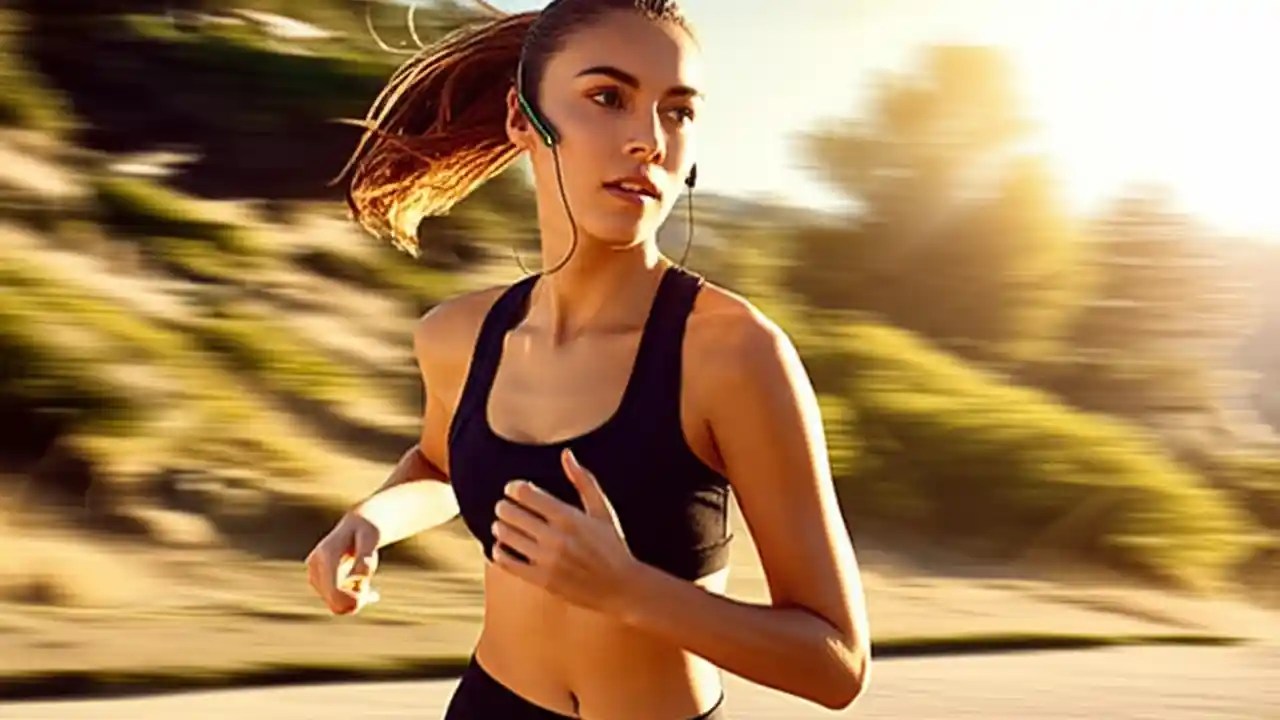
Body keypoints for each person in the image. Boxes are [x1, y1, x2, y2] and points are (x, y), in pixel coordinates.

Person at [304, 1, 871, 718]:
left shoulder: (734, 354)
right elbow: (446, 465)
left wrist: (628, 589)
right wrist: (371, 519)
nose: (648, 140)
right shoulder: (457, 336)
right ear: (524, 119)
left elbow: (837, 664)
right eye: (608, 98)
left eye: (678, 112)